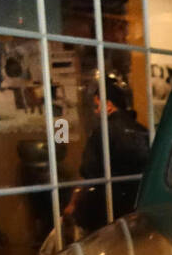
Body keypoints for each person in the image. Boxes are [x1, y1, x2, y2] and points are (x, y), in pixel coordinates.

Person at [64, 76, 152, 235]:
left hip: (107, 208)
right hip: (140, 206)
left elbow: (89, 172)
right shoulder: (142, 130)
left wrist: (73, 204)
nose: (96, 111)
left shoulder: (103, 131)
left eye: (97, 106)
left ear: (109, 105)